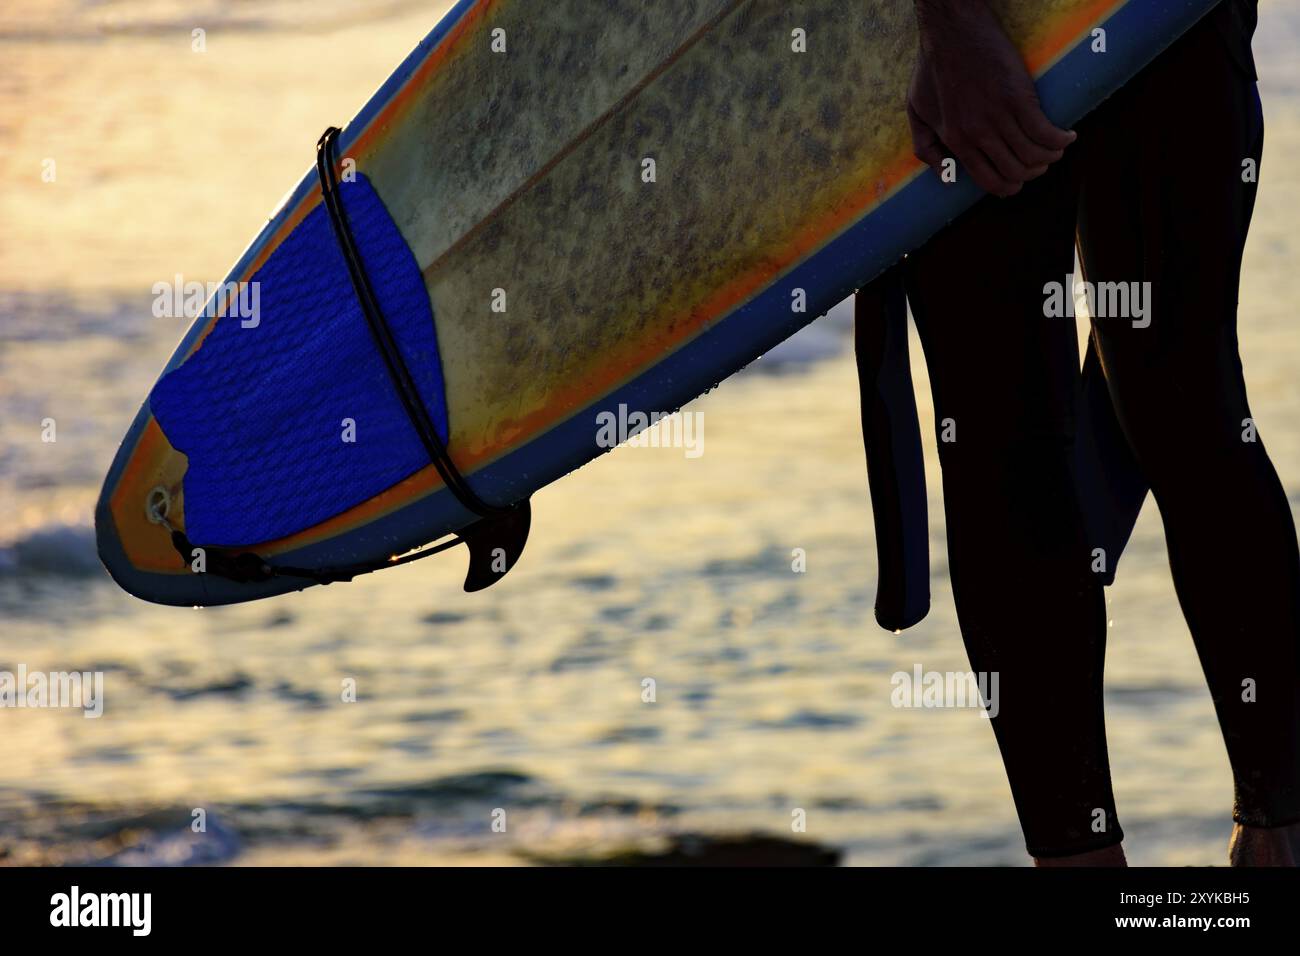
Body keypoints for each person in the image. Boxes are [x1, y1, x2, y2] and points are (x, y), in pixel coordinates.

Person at [858, 0, 1300, 865]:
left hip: (1159, 19)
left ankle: (1279, 837)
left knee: (1181, 397)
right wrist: (951, 23)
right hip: (950, 37)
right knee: (1006, 430)